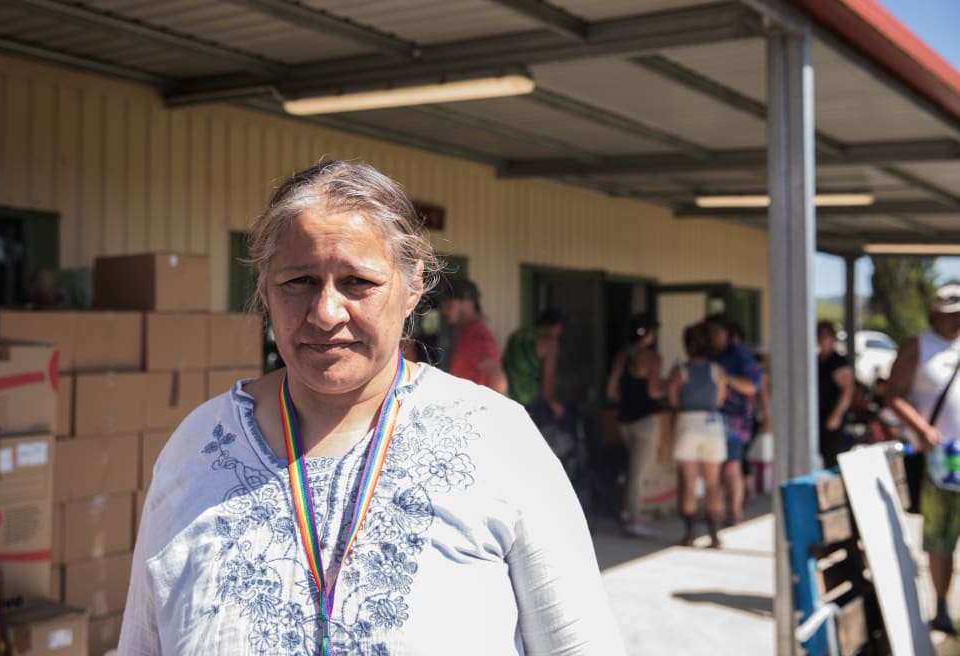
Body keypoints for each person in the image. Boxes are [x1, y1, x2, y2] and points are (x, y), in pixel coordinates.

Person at [119, 160, 624, 654]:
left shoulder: (498, 439)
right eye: (299, 281)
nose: (325, 313)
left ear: (413, 286)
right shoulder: (200, 445)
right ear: (264, 287)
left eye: (358, 282)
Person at [886, 283, 960, 635]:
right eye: (949, 315)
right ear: (934, 315)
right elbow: (894, 394)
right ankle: (941, 604)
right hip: (941, 461)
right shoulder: (917, 347)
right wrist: (922, 430)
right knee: (939, 536)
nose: (956, 320)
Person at [666, 322, 727, 547]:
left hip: (688, 423)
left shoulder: (680, 371)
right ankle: (714, 535)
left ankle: (689, 534)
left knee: (689, 482)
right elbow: (720, 399)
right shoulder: (717, 370)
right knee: (713, 483)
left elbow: (673, 399)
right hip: (711, 423)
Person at [606, 313, 664, 537]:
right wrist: (670, 387)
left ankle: (627, 510)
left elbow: (611, 390)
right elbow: (654, 391)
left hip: (625, 419)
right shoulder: (652, 358)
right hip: (645, 418)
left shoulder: (622, 355)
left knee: (631, 468)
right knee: (637, 472)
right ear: (648, 334)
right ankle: (634, 519)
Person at [706, 314, 761, 526]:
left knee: (731, 466)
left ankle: (734, 512)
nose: (712, 336)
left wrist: (725, 379)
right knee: (715, 468)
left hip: (734, 421)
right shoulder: (709, 355)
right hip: (710, 418)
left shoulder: (739, 355)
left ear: (727, 333)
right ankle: (717, 511)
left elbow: (753, 385)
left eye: (716, 331)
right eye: (709, 332)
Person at [439, 276, 509, 394]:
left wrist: (486, 406)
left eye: (449, 305)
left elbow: (499, 382)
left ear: (468, 303)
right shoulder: (467, 332)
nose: (444, 311)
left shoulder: (475, 335)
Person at [503, 307, 565, 424]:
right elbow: (548, 377)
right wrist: (552, 403)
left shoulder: (517, 335)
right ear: (556, 326)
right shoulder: (549, 342)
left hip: (507, 397)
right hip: (528, 401)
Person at [816, 321, 854, 469]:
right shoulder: (816, 360)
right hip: (818, 416)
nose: (822, 339)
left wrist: (836, 415)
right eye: (819, 335)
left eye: (826, 335)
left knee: (831, 459)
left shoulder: (838, 362)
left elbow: (848, 391)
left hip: (832, 418)